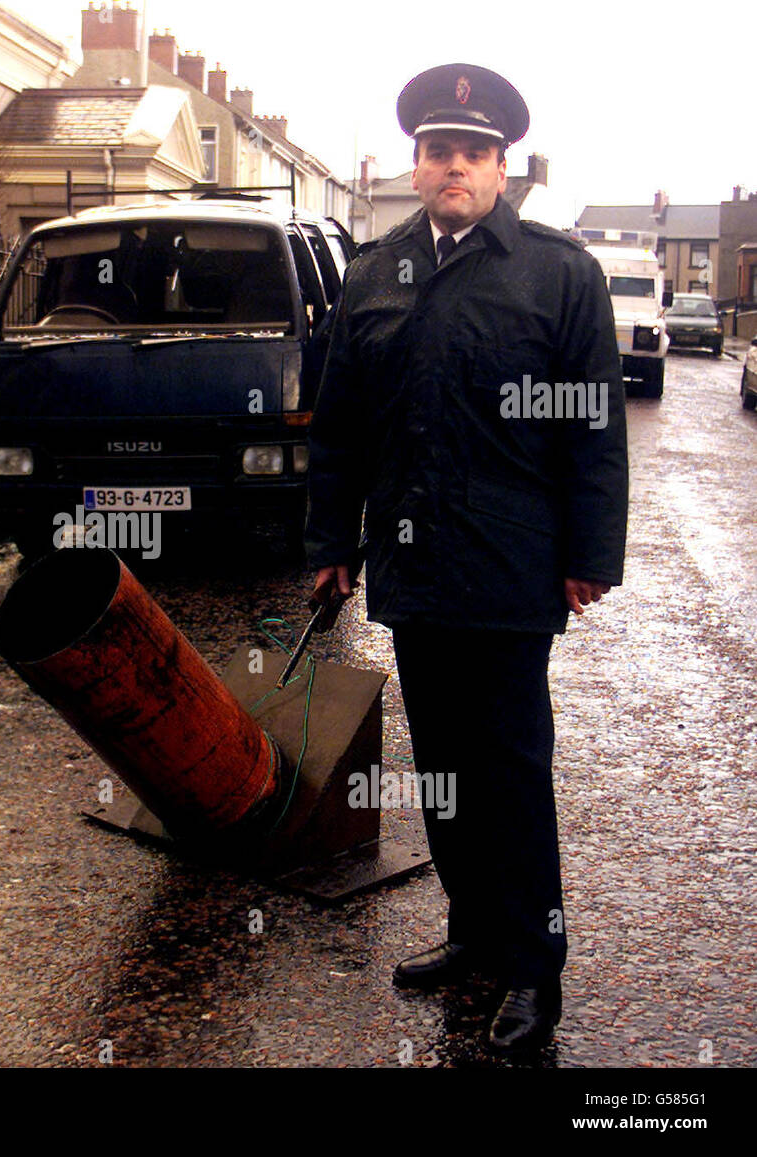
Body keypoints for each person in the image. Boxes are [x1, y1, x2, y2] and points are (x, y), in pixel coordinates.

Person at [304, 63, 628, 1053]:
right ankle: (474, 934)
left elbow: (593, 427)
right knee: (440, 770)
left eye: (474, 153)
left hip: (511, 569)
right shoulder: (373, 270)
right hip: (416, 574)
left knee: (511, 775)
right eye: (439, 150)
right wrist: (329, 542)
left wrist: (588, 552)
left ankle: (535, 969)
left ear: (501, 168)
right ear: (417, 163)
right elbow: (341, 425)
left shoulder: (557, 272)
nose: (454, 166)